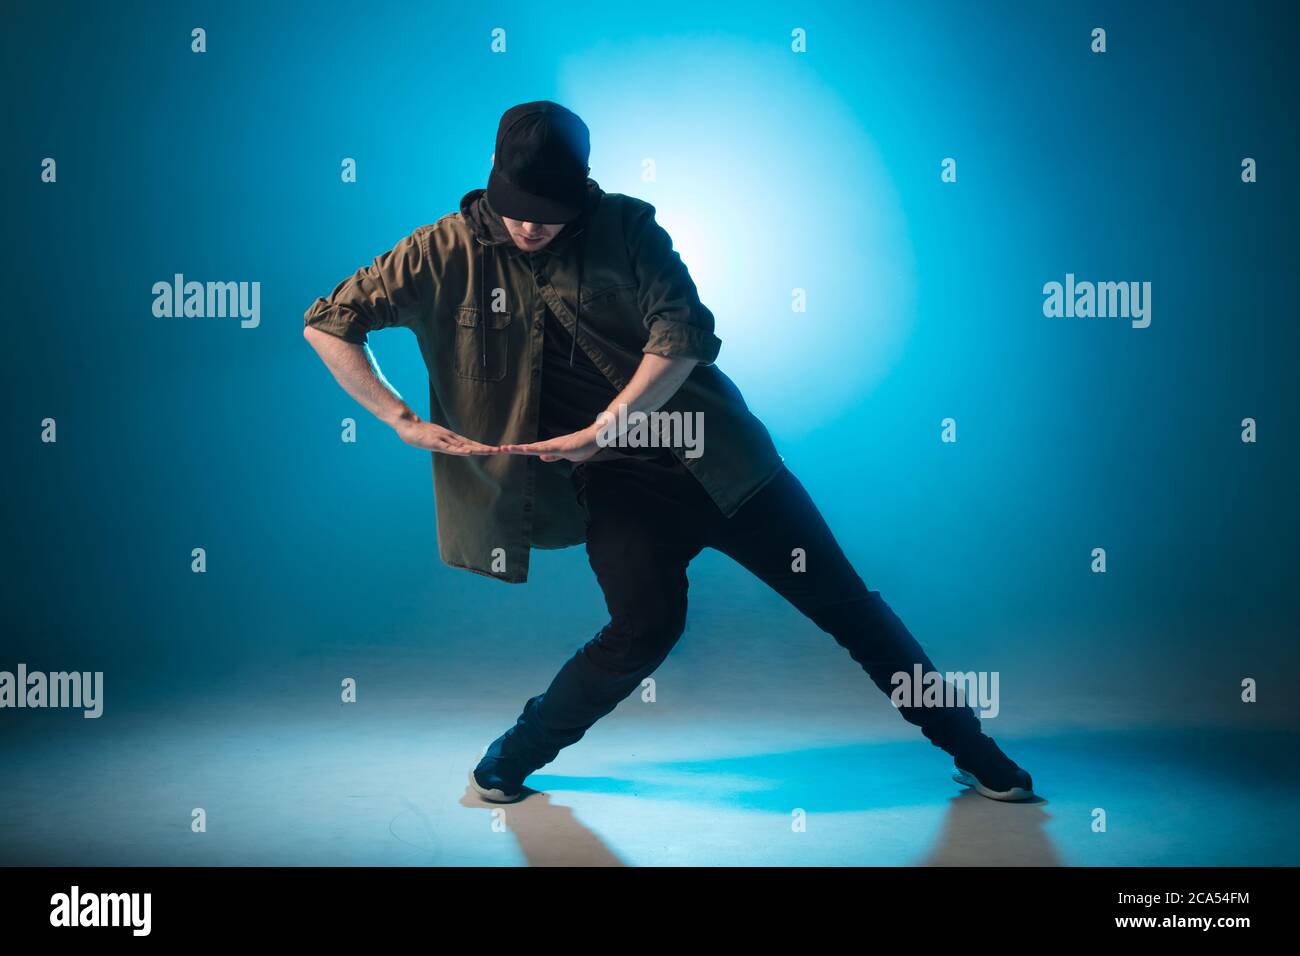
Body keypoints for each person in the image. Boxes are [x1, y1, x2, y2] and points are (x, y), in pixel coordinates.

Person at [302, 100, 1035, 806]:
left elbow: (679, 336)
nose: (528, 227)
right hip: (620, 488)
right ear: (491, 172)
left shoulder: (627, 226)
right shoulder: (439, 251)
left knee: (850, 609)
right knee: (642, 630)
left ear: (581, 189)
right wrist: (399, 418)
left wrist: (602, 429)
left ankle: (985, 761)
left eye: (548, 213)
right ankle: (509, 762)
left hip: (724, 463)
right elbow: (329, 323)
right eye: (515, 208)